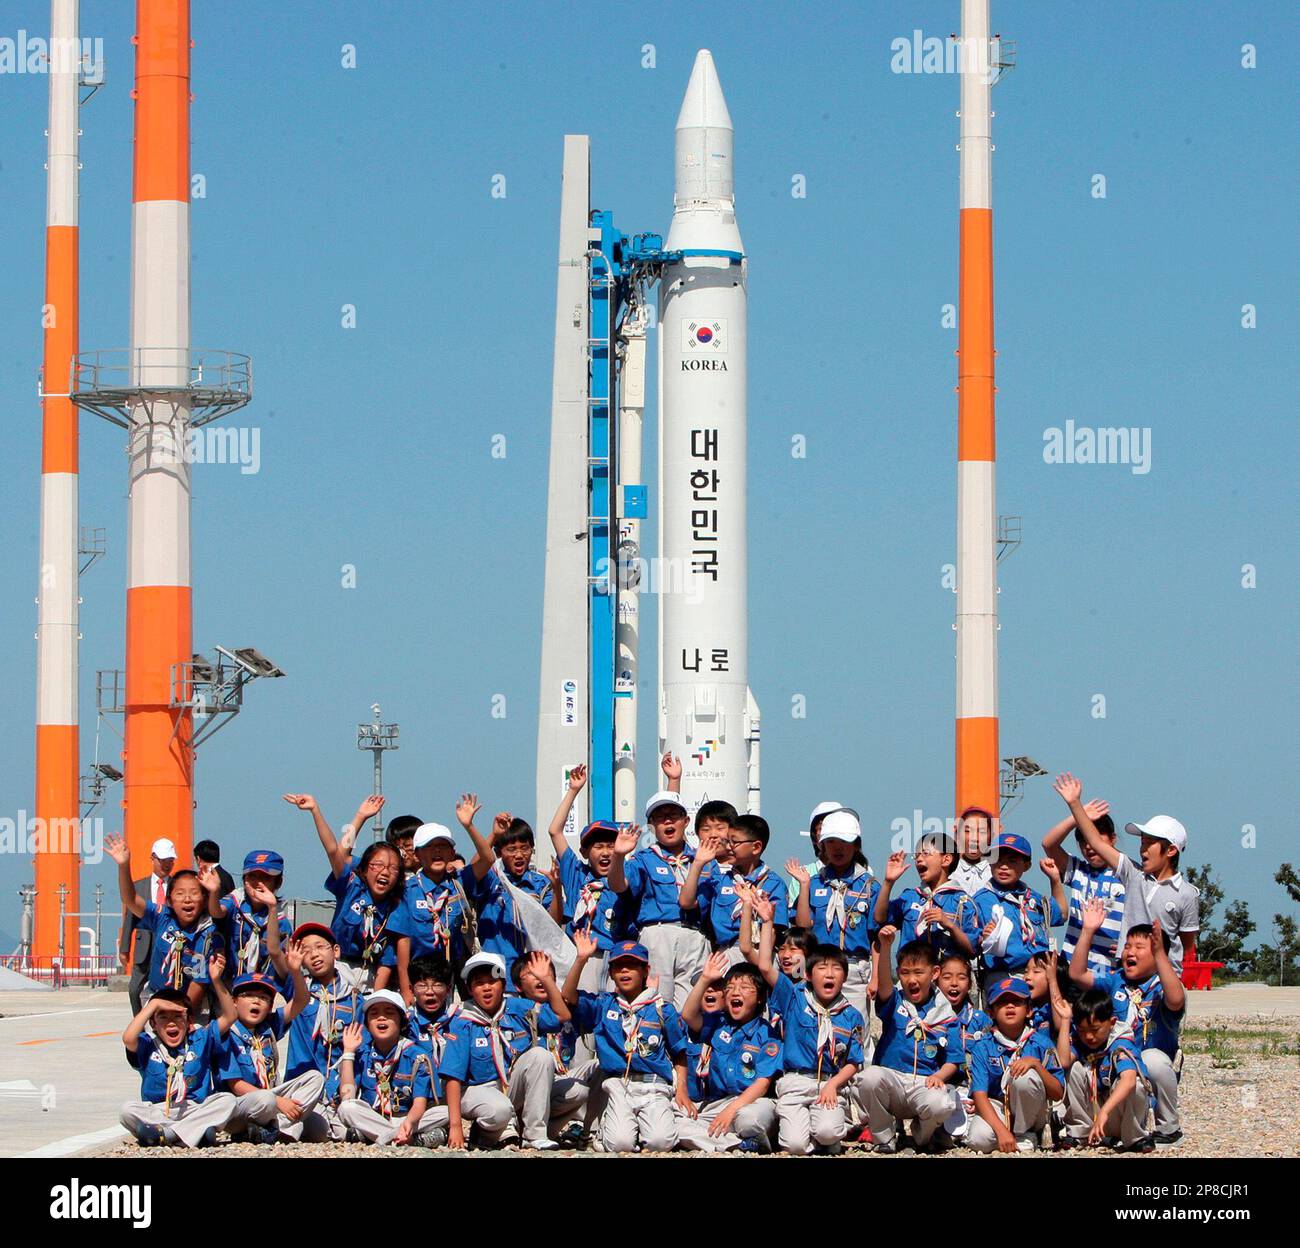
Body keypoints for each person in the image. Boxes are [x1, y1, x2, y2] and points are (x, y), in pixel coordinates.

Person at [1069, 902, 1186, 1145]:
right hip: (1115, 1065)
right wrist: (1088, 931)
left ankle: (1169, 1126)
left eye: (1140, 947)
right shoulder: (1115, 981)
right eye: (1127, 946)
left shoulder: (1161, 984)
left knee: (1153, 1060)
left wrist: (1161, 955)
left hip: (1150, 1063)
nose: (1130, 951)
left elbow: (1176, 1001)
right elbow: (1077, 974)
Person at [1055, 774, 1199, 969]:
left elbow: (1187, 943)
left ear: (1171, 850)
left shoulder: (1187, 894)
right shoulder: (1133, 874)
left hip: (1163, 979)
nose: (1142, 849)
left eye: (1149, 844)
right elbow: (1096, 842)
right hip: (1127, 974)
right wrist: (1074, 803)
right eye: (1142, 843)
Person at [562, 934, 689, 1153]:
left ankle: (649, 1126)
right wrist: (581, 959)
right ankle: (604, 1131)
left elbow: (679, 1052)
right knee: (619, 1144)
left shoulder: (661, 1009)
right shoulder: (604, 1005)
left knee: (661, 1143)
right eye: (618, 967)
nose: (624, 971)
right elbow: (568, 995)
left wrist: (682, 1090)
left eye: (632, 966)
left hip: (654, 1086)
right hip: (619, 1085)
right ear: (610, 973)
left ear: (645, 971)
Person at [440, 950, 568, 1150]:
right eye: (479, 983)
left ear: (503, 984)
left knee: (540, 1056)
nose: (486, 988)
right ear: (470, 989)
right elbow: (452, 1077)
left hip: (510, 1085)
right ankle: (484, 1133)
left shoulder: (519, 1009)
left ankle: (534, 1134)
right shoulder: (463, 1020)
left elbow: (561, 1016)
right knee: (499, 1109)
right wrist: (455, 1127)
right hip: (477, 1090)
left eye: (492, 981)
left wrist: (547, 980)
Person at [757, 929, 866, 1155]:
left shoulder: (851, 1015)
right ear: (807, 975)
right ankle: (814, 1136)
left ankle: (827, 1134)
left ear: (844, 978)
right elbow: (766, 967)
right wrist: (767, 921)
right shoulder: (795, 997)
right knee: (796, 1146)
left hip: (828, 1085)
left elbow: (854, 1061)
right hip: (796, 1082)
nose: (829, 974)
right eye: (822, 968)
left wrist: (833, 1085)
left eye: (836, 968)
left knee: (828, 1131)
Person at [859, 929, 964, 1154]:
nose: (912, 980)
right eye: (905, 973)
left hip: (924, 1083)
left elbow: (953, 1059)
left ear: (934, 973)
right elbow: (885, 985)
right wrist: (886, 947)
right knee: (868, 1078)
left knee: (943, 1103)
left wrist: (939, 1076)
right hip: (893, 1080)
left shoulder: (946, 1015)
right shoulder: (895, 1001)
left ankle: (922, 1136)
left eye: (919, 972)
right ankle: (884, 1136)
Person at [284, 791, 403, 987]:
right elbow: (335, 851)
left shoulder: (397, 904)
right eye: (377, 865)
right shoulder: (351, 886)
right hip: (338, 969)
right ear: (364, 869)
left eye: (392, 868)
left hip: (373, 976)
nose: (385, 872)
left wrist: (376, 996)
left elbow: (387, 960)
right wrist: (358, 817)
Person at [119, 954, 236, 1148]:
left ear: (189, 1021)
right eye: (163, 1017)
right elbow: (128, 1038)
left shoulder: (200, 1039)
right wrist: (154, 1004)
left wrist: (216, 980)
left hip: (195, 1108)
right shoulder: (148, 1045)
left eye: (178, 1016)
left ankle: (168, 1135)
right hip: (159, 1111)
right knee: (126, 1110)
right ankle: (194, 1134)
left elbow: (231, 1016)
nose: (171, 1022)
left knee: (227, 1100)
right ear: (153, 1024)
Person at [609, 788, 710, 1009]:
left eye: (673, 816)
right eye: (660, 818)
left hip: (694, 935)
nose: (667, 822)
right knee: (657, 1003)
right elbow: (618, 885)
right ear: (652, 826)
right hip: (658, 933)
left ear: (686, 821)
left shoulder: (703, 858)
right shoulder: (644, 859)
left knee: (691, 1007)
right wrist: (618, 855)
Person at [676, 954, 780, 1153]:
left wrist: (730, 1111)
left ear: (760, 998)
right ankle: (735, 1143)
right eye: (730, 988)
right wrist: (705, 979)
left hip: (751, 1102)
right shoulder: (717, 1023)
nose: (735, 993)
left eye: (744, 988)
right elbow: (689, 1015)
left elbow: (762, 1084)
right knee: (675, 1125)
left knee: (751, 1120)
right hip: (717, 1103)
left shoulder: (767, 1033)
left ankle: (726, 1137)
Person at [108, 834, 220, 1016]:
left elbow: (198, 981)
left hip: (187, 1007)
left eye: (194, 893)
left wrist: (182, 1014)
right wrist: (123, 866)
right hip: (155, 994)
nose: (187, 899)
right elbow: (131, 901)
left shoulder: (206, 933)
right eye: (180, 894)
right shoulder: (162, 916)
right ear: (169, 900)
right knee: (134, 1029)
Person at [548, 767, 638, 991]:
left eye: (611, 846)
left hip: (616, 954)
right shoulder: (576, 873)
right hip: (582, 954)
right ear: (585, 851)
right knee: (582, 1010)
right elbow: (555, 832)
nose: (606, 852)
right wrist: (573, 791)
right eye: (598, 846)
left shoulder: (626, 876)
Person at [390, 805, 496, 996]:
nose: (437, 851)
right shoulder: (407, 890)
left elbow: (488, 858)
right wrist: (407, 992)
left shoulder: (460, 881)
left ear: (452, 852)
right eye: (430, 847)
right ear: (417, 854)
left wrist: (469, 825)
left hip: (454, 977)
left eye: (443, 846)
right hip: (419, 978)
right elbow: (403, 943)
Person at [219, 953, 324, 1144]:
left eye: (263, 998)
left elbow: (301, 1001)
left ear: (269, 1006)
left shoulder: (269, 1027)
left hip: (270, 1098)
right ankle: (279, 1129)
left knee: (315, 1083)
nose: (256, 1001)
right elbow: (236, 1085)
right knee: (266, 1100)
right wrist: (278, 1102)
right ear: (234, 1001)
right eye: (248, 995)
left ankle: (274, 1130)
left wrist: (295, 971)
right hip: (241, 1105)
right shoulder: (227, 1034)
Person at [787, 808, 877, 1019]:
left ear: (856, 845)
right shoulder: (813, 881)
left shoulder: (869, 885)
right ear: (821, 846)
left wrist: (876, 978)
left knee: (855, 1029)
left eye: (844, 842)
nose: (837, 848)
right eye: (831, 842)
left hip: (855, 969)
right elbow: (803, 925)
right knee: (815, 1025)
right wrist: (804, 886)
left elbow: (877, 936)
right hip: (817, 965)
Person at [280, 921, 363, 1142]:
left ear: (335, 950)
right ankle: (274, 1130)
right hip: (304, 1092)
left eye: (320, 947)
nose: (314, 955)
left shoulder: (355, 999)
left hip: (337, 1091)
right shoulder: (297, 989)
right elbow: (273, 952)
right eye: (305, 951)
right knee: (300, 1120)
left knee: (338, 1133)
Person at [964, 975, 1063, 1153]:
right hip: (999, 1106)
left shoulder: (1041, 1043)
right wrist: (1001, 1131)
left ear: (1029, 1010)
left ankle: (1026, 1132)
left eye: (1017, 1002)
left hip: (1034, 1110)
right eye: (1002, 1003)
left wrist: (1036, 1065)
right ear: (991, 1012)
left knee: (1025, 1077)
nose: (1010, 1006)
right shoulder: (983, 1046)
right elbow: (979, 1095)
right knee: (979, 1140)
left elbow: (1057, 1093)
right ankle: (1009, 1136)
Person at [337, 989, 448, 1147]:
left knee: (446, 1113)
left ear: (401, 1021)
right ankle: (410, 1140)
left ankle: (375, 1136)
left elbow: (419, 1103)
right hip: (374, 1116)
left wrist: (408, 1124)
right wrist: (348, 1052)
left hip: (408, 1117)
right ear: (367, 1023)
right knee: (347, 1108)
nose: (381, 1017)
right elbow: (347, 1096)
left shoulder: (418, 1056)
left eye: (389, 1012)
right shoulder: (363, 1053)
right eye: (374, 1014)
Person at [509, 951, 598, 1146]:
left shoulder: (564, 1005)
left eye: (548, 974)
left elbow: (567, 999)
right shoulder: (516, 1007)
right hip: (522, 1085)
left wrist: (580, 959)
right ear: (518, 986)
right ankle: (531, 1131)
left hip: (558, 1077)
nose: (541, 979)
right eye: (533, 975)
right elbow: (560, 1016)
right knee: (541, 1057)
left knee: (595, 1070)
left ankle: (587, 1129)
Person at [1056, 986, 1152, 1151]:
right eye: (1082, 1030)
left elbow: (1128, 1080)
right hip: (1094, 1115)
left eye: (1095, 1030)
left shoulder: (1120, 1042)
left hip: (1117, 1116)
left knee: (1136, 1085)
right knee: (1074, 1068)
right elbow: (1063, 1061)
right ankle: (1080, 1133)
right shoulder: (1080, 1041)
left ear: (1112, 1023)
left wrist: (1105, 1112)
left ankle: (1135, 1138)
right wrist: (1065, 1021)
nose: (1088, 1036)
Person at [686, 814, 788, 965]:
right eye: (727, 841)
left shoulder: (774, 884)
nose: (728, 847)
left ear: (756, 847)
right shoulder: (721, 880)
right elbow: (687, 902)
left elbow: (773, 929)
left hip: (759, 954)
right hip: (724, 953)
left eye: (734, 842)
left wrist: (761, 965)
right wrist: (698, 863)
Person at [1041, 795, 1126, 974]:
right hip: (1073, 965)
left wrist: (1129, 944)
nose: (1089, 846)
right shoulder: (1079, 871)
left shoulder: (1128, 875)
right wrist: (1078, 815)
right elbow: (1049, 844)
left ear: (1113, 839)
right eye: (1083, 841)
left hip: (1110, 969)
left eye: (1095, 838)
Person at [972, 832, 1063, 978]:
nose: (1004, 867)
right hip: (1003, 974)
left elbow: (1061, 915)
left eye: (1012, 861)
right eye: (998, 860)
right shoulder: (981, 900)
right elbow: (971, 940)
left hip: (1039, 973)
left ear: (1026, 866)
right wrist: (983, 938)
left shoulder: (1032, 897)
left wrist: (1055, 880)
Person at [873, 838, 979, 962]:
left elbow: (972, 949)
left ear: (946, 860)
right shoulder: (910, 897)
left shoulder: (962, 902)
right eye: (916, 856)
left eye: (925, 853)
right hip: (911, 974)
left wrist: (949, 924)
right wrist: (888, 882)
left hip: (947, 977)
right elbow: (880, 918)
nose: (918, 859)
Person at [474, 816, 556, 962]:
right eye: (511, 850)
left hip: (531, 966)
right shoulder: (492, 879)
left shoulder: (541, 884)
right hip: (495, 966)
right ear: (499, 852)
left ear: (532, 849)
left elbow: (553, 923)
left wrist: (557, 889)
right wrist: (494, 835)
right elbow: (473, 871)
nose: (519, 855)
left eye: (524, 848)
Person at [207, 850, 293, 986]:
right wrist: (214, 892)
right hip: (230, 984)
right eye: (252, 876)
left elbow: (284, 966)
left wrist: (271, 907)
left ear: (279, 882)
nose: (258, 883)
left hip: (265, 989)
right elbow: (217, 912)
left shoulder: (281, 920)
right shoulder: (236, 901)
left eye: (266, 878)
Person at [118, 837, 178, 1014]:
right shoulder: (138, 886)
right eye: (163, 861)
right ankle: (139, 1022)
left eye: (170, 861)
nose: (167, 865)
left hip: (168, 945)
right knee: (134, 989)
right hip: (144, 945)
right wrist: (124, 948)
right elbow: (130, 918)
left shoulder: (178, 886)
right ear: (153, 858)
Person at [406, 954, 459, 1063]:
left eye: (438, 985)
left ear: (448, 989)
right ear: (411, 990)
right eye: (422, 985)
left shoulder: (462, 1021)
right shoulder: (405, 1023)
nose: (430, 992)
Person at [951, 806, 995, 896]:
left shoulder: (997, 873)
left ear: (991, 837)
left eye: (982, 831)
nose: (974, 838)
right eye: (967, 831)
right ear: (957, 835)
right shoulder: (947, 872)